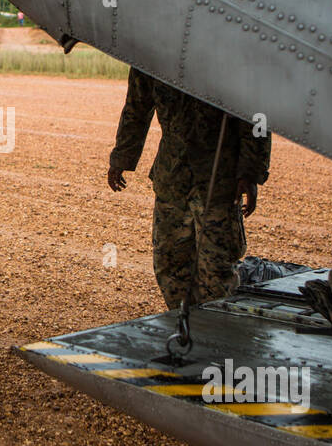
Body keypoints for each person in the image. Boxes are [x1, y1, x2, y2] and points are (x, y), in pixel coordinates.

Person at [107, 67, 271, 308]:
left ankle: (218, 333)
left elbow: (258, 114)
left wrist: (250, 173)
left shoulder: (230, 55)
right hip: (172, 178)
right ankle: (182, 327)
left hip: (219, 179)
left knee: (217, 269)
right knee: (170, 265)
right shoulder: (151, 51)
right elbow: (136, 107)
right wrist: (122, 158)